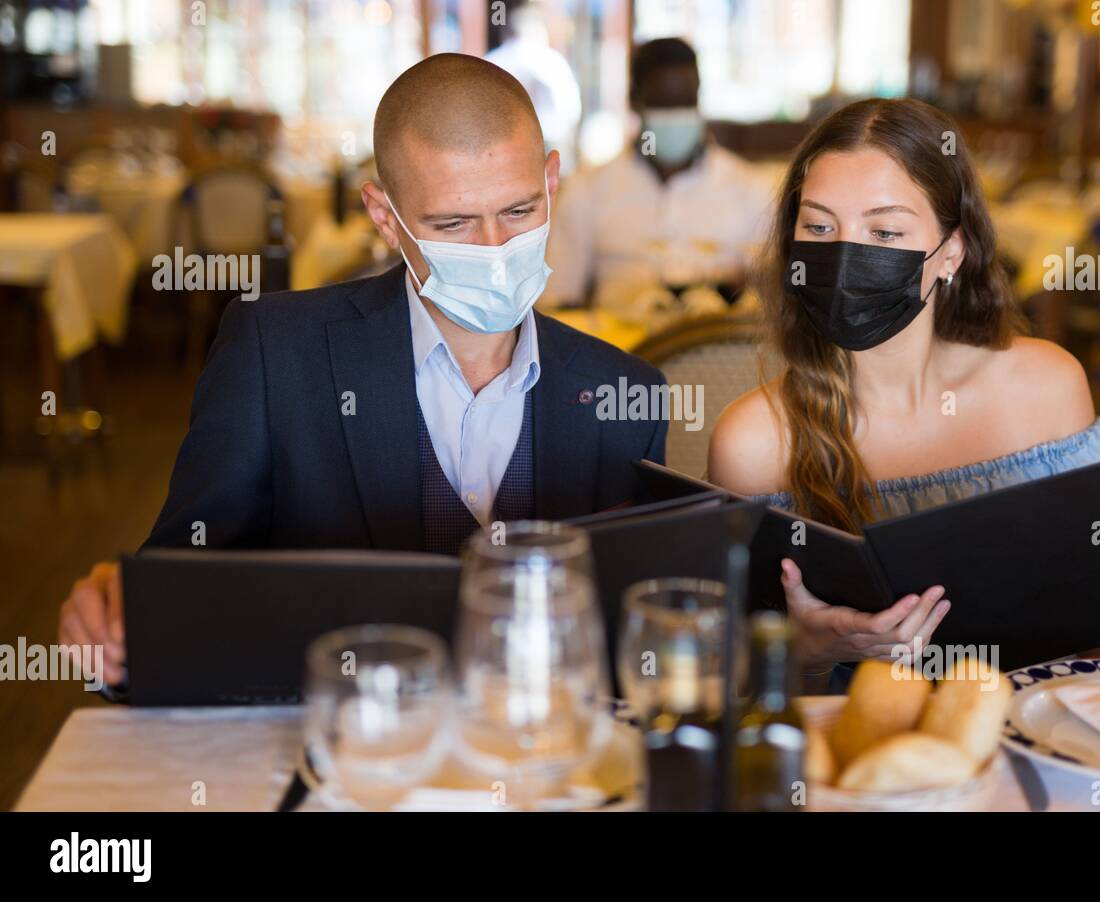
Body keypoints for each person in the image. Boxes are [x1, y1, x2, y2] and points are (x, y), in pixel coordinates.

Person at [59, 54, 667, 690]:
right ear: (385, 217)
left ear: (550, 181)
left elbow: (638, 640)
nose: (494, 251)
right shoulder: (275, 353)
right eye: (453, 223)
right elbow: (182, 583)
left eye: (518, 211)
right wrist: (117, 626)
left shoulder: (628, 394)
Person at [707, 98, 1100, 689]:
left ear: (952, 252)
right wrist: (810, 650)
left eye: (885, 230)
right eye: (820, 227)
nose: (846, 255)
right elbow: (734, 677)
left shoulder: (1046, 389)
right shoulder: (754, 442)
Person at [542, 37, 774, 313]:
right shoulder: (587, 191)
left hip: (718, 352)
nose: (676, 115)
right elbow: (558, 304)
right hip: (619, 350)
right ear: (634, 102)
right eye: (662, 104)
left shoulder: (753, 190)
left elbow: (770, 303)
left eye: (685, 103)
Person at [485, 2, 582, 172]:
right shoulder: (551, 61)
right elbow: (570, 111)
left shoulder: (491, 62)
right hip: (545, 143)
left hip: (496, 149)